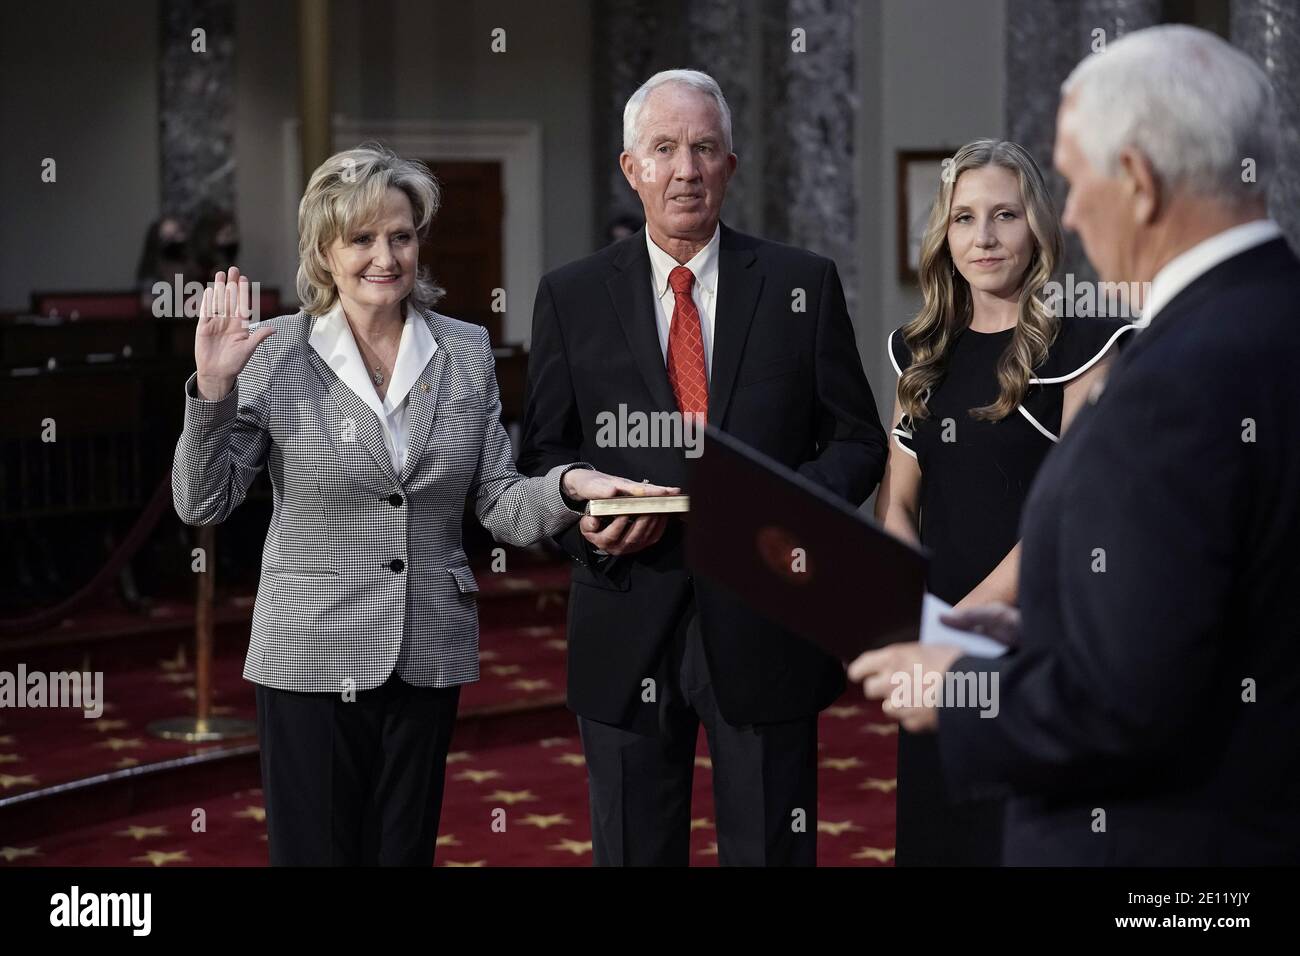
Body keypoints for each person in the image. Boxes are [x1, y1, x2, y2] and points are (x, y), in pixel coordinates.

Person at [851, 24, 1300, 865]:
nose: (1076, 209)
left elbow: (1131, 695)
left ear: (1133, 179)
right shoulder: (1265, 320)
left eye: (1074, 179)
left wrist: (965, 684)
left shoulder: (1169, 378)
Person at [171, 144, 671, 866]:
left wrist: (571, 486)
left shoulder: (465, 350)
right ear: (324, 251)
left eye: (400, 236)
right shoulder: (274, 351)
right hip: (310, 655)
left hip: (426, 652)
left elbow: (499, 500)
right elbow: (201, 502)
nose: (386, 256)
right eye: (362, 239)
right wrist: (213, 391)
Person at [519, 70, 887, 866]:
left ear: (730, 165)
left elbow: (859, 443)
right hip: (625, 617)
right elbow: (542, 457)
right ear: (631, 168)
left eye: (704, 148)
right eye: (664, 149)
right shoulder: (571, 296)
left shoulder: (801, 285)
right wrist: (590, 528)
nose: (685, 168)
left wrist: (778, 504)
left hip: (766, 619)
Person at [879, 139, 1132, 865]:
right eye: (963, 218)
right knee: (941, 838)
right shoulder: (918, 351)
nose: (983, 237)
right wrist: (906, 611)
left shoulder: (1088, 343)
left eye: (1004, 215)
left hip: (1035, 645)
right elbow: (898, 502)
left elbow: (1072, 514)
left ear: (1038, 228)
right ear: (944, 234)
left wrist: (958, 630)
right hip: (936, 637)